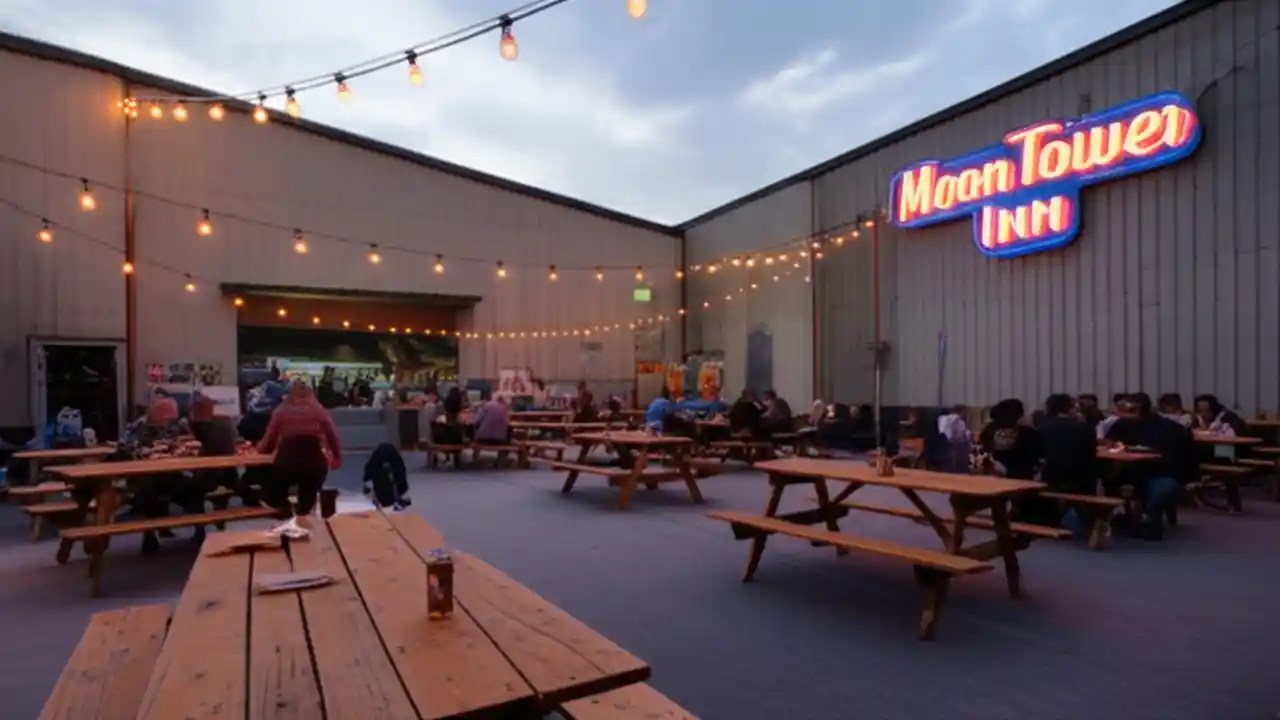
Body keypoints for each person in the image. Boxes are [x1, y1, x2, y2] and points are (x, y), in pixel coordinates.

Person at [1105, 392, 1192, 540]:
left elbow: (1178, 460)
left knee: (1161, 489)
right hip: (1128, 471)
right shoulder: (1120, 425)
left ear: (1145, 412)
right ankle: (1122, 519)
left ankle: (1149, 521)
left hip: (1161, 473)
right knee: (1105, 480)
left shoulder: (1169, 429)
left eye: (1132, 411)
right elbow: (1111, 443)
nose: (1126, 415)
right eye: (1124, 411)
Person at [257, 379, 342, 521]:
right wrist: (337, 457)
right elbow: (333, 436)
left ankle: (285, 513)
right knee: (307, 499)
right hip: (314, 463)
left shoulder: (282, 410)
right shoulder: (318, 410)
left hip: (287, 462)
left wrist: (262, 450)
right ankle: (303, 518)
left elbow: (269, 439)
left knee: (274, 493)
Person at [936, 405, 971, 473]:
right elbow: (960, 435)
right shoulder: (958, 420)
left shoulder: (942, 418)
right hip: (956, 447)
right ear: (962, 412)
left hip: (941, 446)